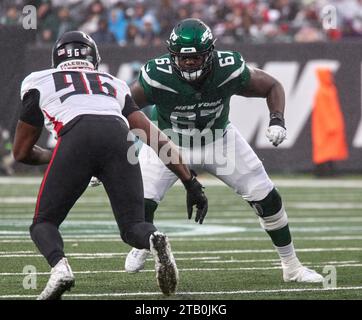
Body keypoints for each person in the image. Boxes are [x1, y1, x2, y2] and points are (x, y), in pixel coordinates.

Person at [124, 18, 324, 283]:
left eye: (195, 57)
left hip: (219, 139)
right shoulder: (157, 75)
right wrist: (111, 147)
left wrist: (277, 119)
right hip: (169, 142)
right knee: (141, 203)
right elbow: (124, 108)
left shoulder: (228, 68)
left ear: (210, 53)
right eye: (183, 59)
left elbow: (272, 85)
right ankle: (143, 244)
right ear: (172, 56)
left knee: (268, 198)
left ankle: (292, 265)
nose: (189, 63)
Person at [12, 31, 208, 300]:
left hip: (75, 134)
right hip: (119, 137)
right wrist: (190, 182)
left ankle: (60, 269)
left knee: (44, 223)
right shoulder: (113, 83)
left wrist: (63, 155)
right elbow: (153, 137)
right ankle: (154, 239)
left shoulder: (37, 80)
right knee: (133, 226)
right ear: (94, 57)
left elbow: (22, 152)